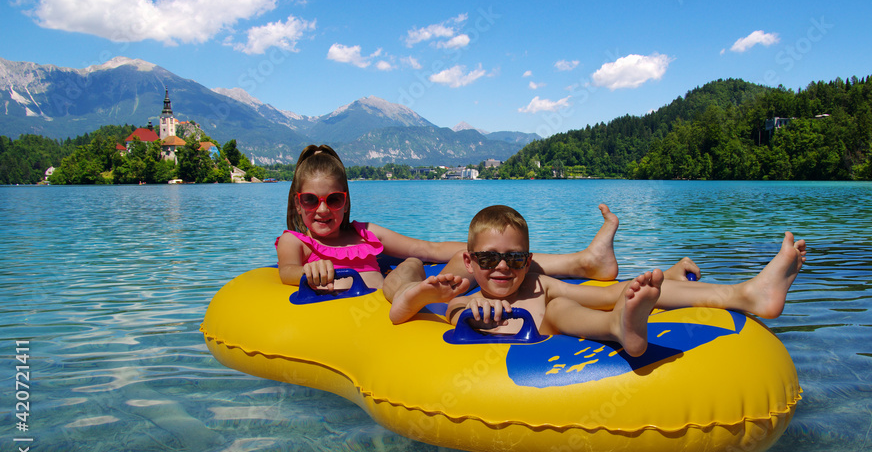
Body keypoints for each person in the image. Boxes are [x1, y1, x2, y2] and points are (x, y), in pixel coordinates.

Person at [388, 205, 807, 357]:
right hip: (525, 332)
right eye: (488, 258)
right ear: (469, 262)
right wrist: (424, 292)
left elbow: (606, 292)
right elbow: (398, 313)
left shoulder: (536, 283)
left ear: (529, 260)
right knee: (556, 313)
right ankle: (618, 327)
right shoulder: (467, 298)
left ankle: (748, 294)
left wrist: (635, 291)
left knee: (610, 294)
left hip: (559, 310)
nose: (502, 268)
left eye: (514, 258)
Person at [276, 145, 648, 293]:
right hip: (382, 306)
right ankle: (585, 263)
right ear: (298, 201)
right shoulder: (299, 241)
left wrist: (477, 252)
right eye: (311, 200)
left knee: (491, 262)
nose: (322, 209)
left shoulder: (365, 233)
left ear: (346, 200)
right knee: (435, 267)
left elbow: (429, 248)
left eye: (333, 199)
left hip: (408, 295)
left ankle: (584, 262)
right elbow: (288, 271)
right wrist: (311, 270)